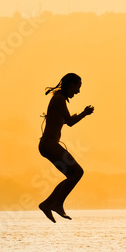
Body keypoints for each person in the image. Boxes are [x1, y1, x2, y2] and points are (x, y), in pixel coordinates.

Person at [38, 73, 93, 222]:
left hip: (48, 145)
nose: (78, 92)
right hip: (49, 145)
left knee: (73, 175)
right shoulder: (59, 99)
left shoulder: (59, 100)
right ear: (70, 85)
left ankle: (48, 204)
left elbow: (60, 121)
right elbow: (69, 122)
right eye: (77, 88)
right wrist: (84, 113)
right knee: (77, 172)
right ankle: (55, 204)